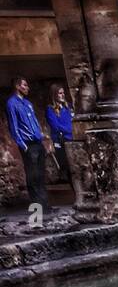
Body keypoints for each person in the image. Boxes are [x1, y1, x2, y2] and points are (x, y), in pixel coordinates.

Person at [5, 76, 49, 213]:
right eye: (25, 85)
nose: (27, 87)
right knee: (33, 176)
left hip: (37, 142)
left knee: (41, 174)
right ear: (18, 86)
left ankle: (45, 205)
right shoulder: (12, 103)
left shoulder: (28, 103)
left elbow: (34, 122)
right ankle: (38, 207)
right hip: (28, 144)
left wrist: (41, 136)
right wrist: (22, 145)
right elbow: (14, 125)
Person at [46, 84, 73, 184]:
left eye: (63, 93)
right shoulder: (50, 109)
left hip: (71, 138)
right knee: (65, 164)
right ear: (55, 95)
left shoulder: (67, 107)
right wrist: (69, 130)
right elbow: (55, 126)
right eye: (60, 93)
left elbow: (72, 120)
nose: (63, 95)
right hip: (61, 140)